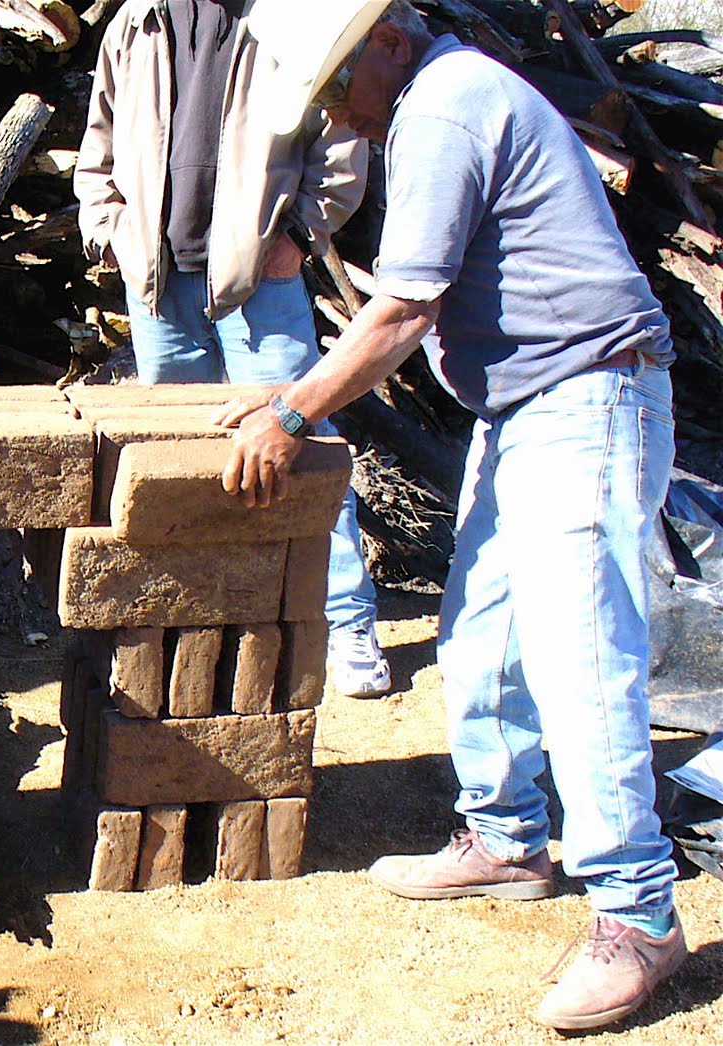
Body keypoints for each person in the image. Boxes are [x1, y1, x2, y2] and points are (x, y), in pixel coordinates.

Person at [218, 0, 685, 1030]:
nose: (341, 115)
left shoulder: (446, 105)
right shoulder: (432, 95)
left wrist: (293, 407)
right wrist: (282, 395)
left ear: (385, 42)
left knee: (577, 657)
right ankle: (506, 837)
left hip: (587, 392)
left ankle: (637, 912)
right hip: (528, 403)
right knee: (480, 636)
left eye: (340, 88)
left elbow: (401, 310)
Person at [74, 0, 392, 698]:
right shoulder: (139, 21)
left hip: (261, 285)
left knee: (302, 439)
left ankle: (345, 623)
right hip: (158, 285)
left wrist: (297, 239)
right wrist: (113, 231)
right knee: (174, 453)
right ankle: (195, 621)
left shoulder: (296, 15)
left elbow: (341, 143)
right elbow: (97, 144)